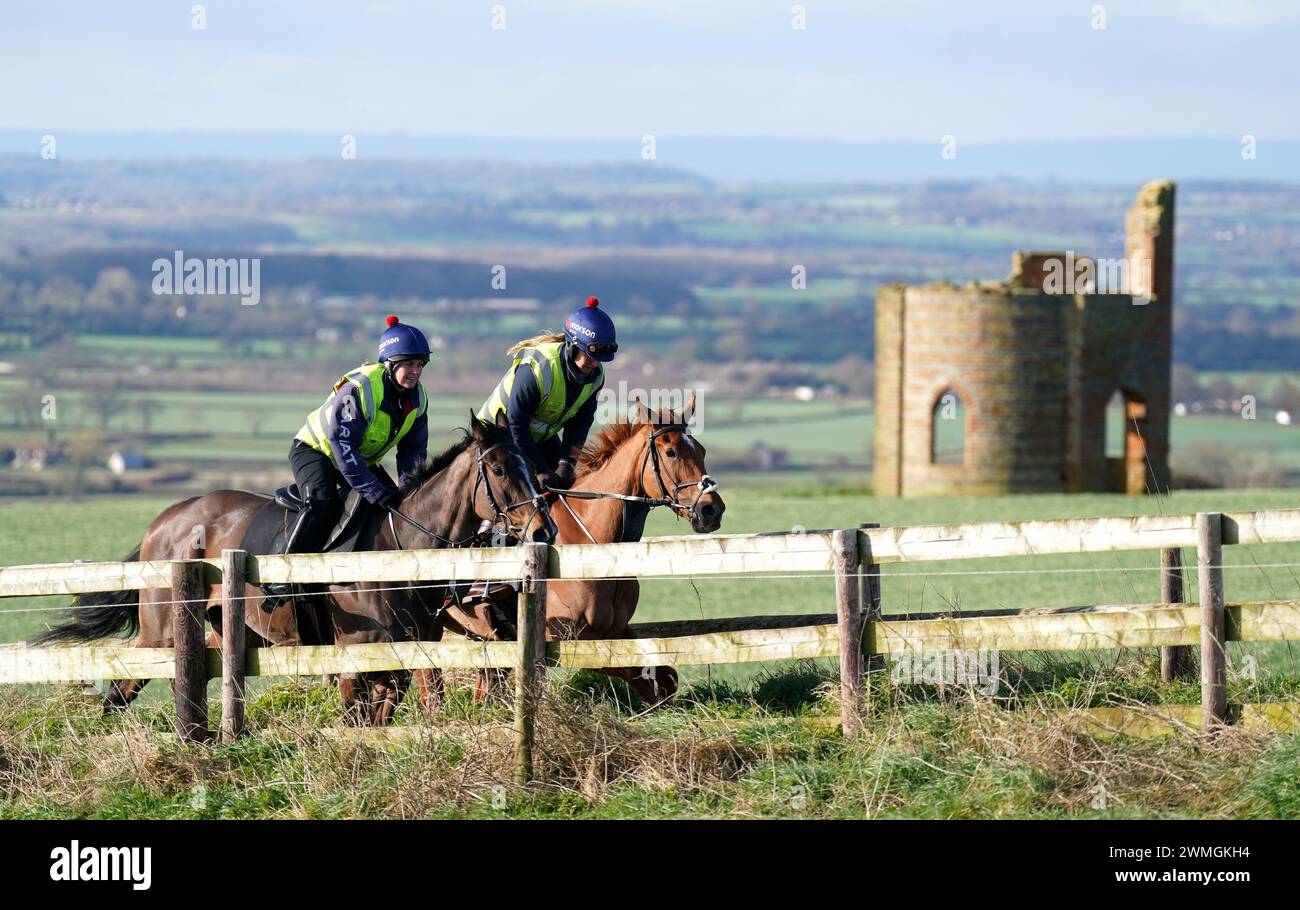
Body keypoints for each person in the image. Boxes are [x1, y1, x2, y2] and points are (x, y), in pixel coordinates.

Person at [276, 314, 430, 571]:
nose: (416, 371)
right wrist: (371, 488)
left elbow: (413, 450)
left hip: (358, 459)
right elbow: (341, 442)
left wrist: (408, 488)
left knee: (395, 507)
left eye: (421, 364)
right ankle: (282, 573)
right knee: (323, 504)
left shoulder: (419, 398)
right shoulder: (361, 388)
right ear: (390, 364)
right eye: (409, 364)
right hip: (317, 451)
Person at [477, 296, 616, 490]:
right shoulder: (538, 369)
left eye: (599, 358)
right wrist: (539, 469)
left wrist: (567, 463)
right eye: (590, 355)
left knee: (566, 487)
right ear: (573, 346)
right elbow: (516, 424)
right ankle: (488, 522)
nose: (594, 363)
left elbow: (580, 424)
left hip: (535, 438)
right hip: (496, 436)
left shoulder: (596, 376)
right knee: (521, 493)